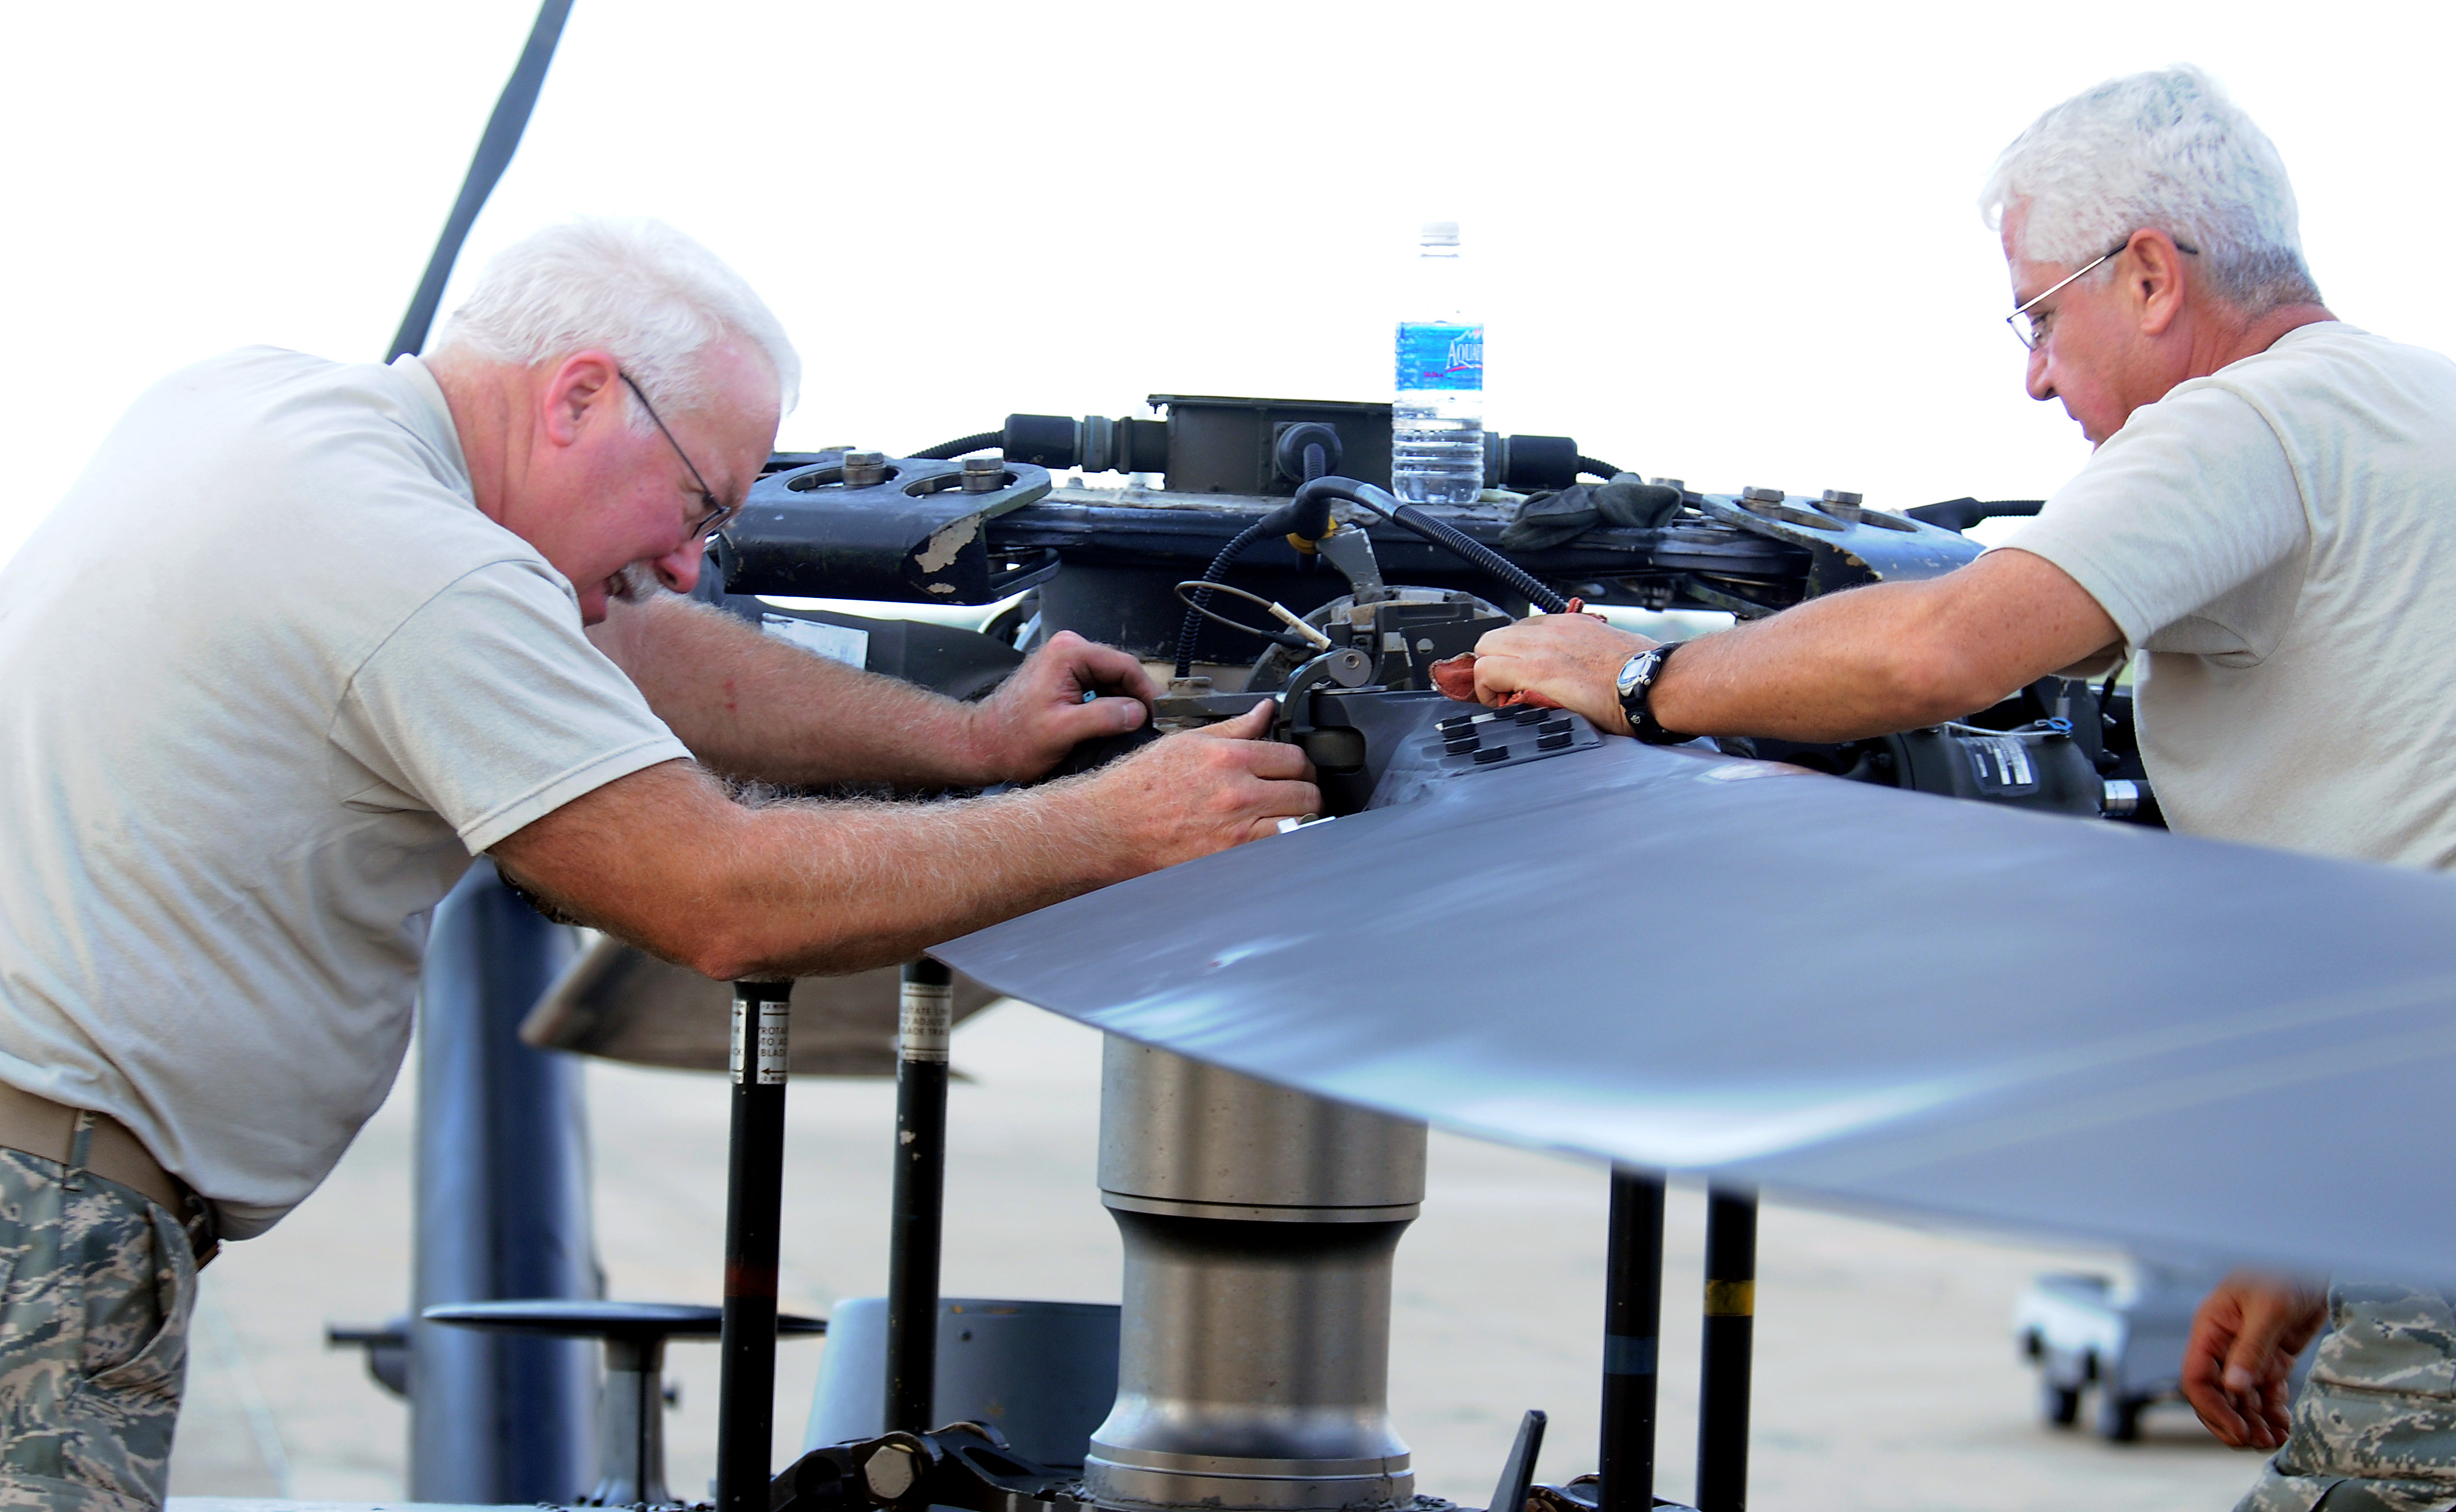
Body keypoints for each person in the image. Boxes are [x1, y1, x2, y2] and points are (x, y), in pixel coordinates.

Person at [0, 218, 1316, 1510]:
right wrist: (1114, 827)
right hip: (41, 1213)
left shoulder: (263, 414)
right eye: (698, 502)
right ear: (578, 394)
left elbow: (625, 644)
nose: (689, 562)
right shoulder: (417, 572)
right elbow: (719, 895)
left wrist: (968, 739)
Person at [1449, 65, 2456, 1511]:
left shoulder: (2242, 421)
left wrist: (1631, 681)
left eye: (2039, 318)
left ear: (2152, 275)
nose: (2034, 377)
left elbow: (1942, 649)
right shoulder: (2404, 405)